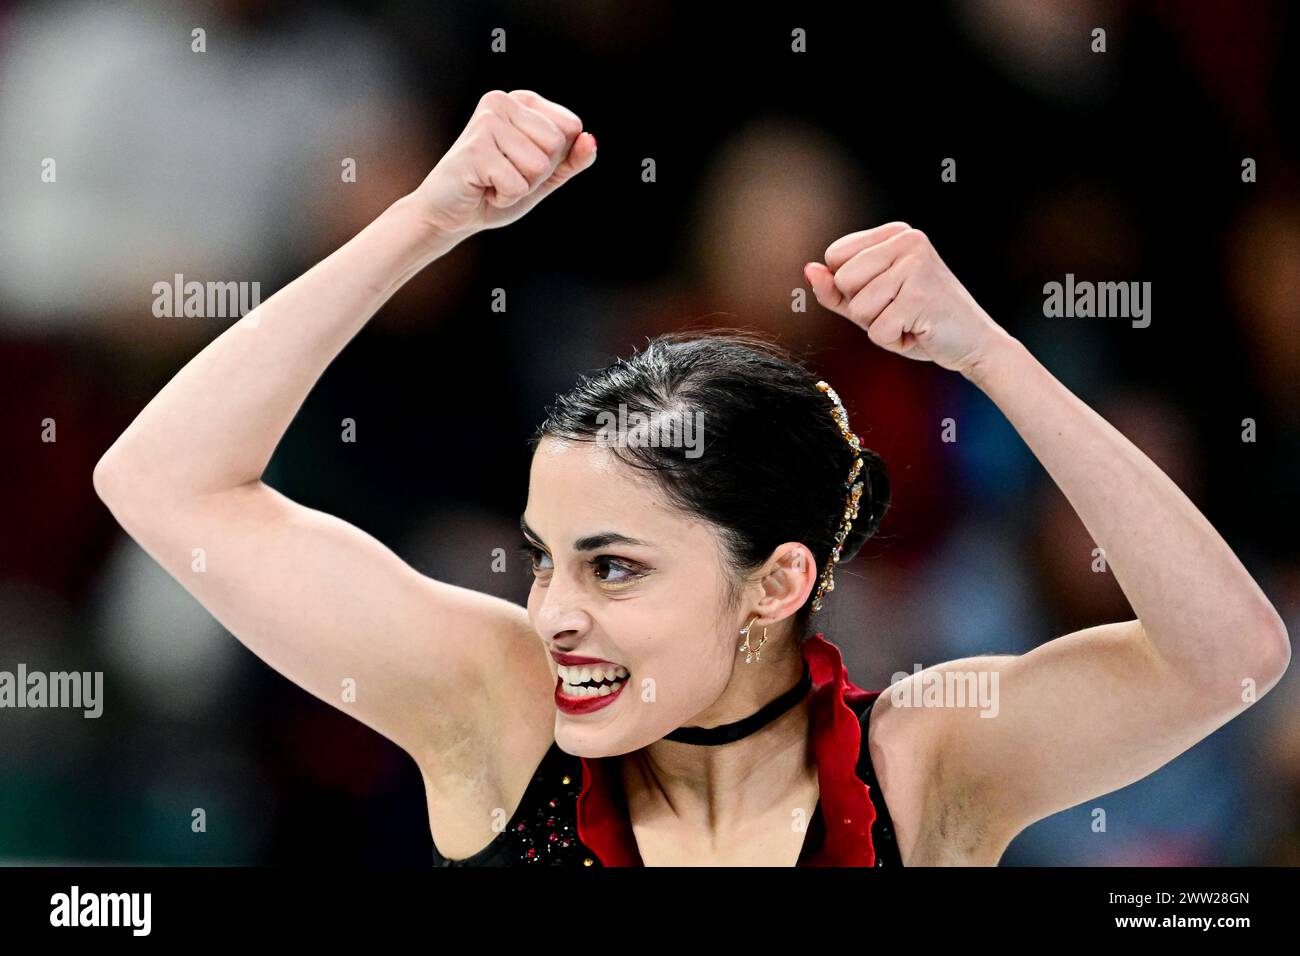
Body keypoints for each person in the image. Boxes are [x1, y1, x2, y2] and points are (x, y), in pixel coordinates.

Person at [93, 90, 1291, 867]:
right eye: (548, 555)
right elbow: (162, 481)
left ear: (774, 583)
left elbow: (1228, 653)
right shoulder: (494, 710)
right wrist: (426, 221)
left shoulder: (927, 764)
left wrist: (990, 354)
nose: (554, 610)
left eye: (613, 565)